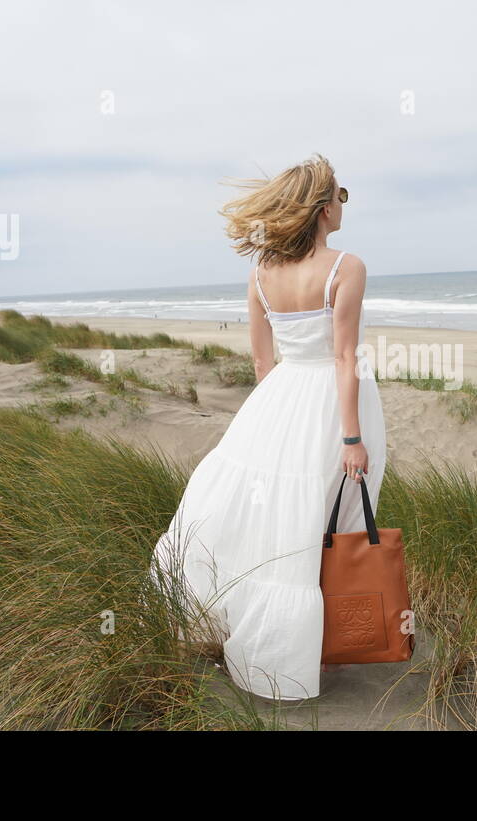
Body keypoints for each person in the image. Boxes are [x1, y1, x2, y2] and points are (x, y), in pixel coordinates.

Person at [150, 154, 384, 702]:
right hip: (332, 406)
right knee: (333, 520)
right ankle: (311, 649)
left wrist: (274, 422)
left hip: (277, 402)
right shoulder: (346, 267)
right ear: (323, 207)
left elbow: (262, 365)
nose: (343, 204)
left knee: (284, 520)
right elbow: (345, 358)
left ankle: (280, 636)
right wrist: (351, 438)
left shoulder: (260, 273)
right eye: (340, 195)